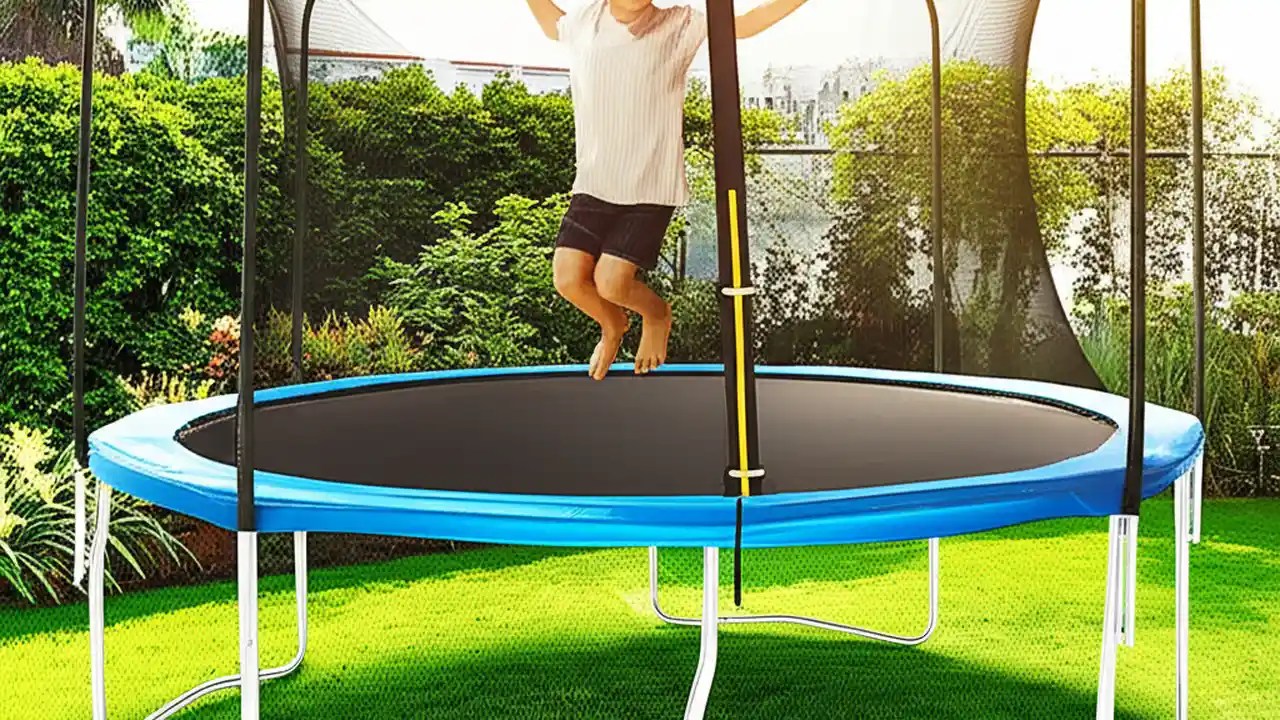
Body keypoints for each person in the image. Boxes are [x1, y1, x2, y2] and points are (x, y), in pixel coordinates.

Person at [526, 0, 809, 380]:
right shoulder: (585, 23)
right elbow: (551, 21)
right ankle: (613, 325)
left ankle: (656, 314)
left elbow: (742, 25)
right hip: (594, 185)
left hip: (648, 188)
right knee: (568, 279)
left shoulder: (679, 24)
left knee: (611, 281)